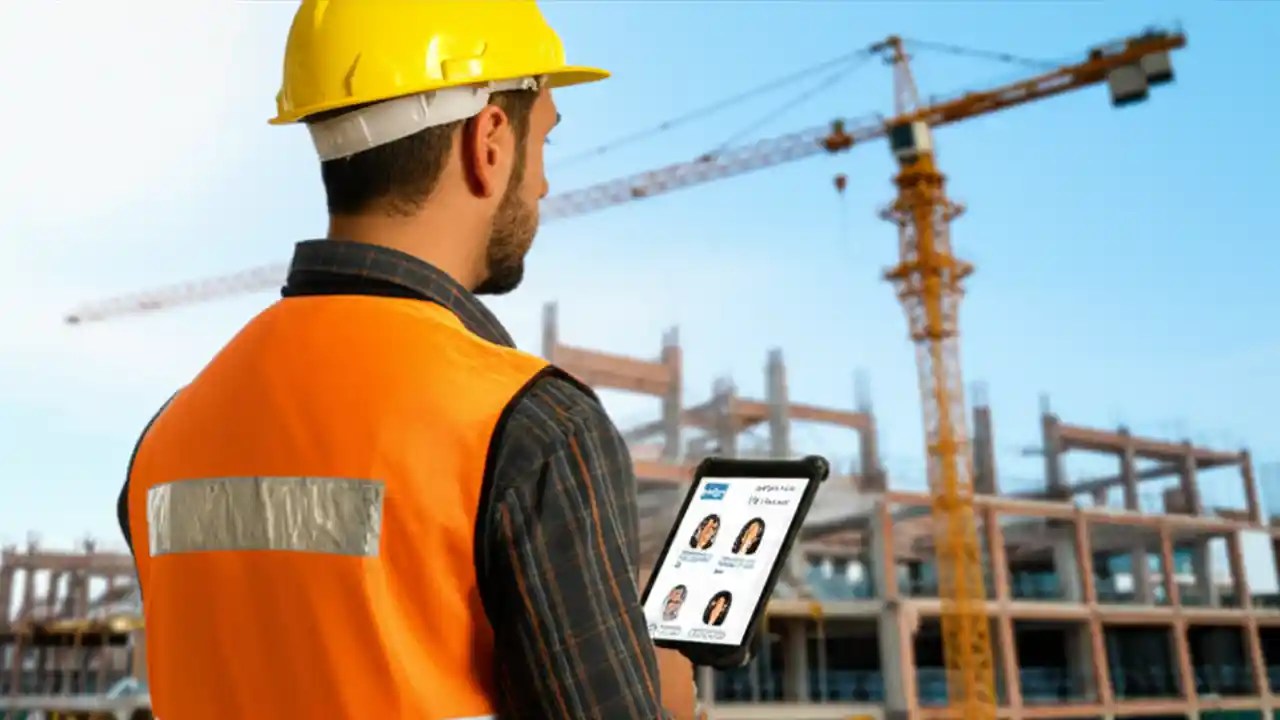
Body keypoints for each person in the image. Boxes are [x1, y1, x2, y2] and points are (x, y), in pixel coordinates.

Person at [113, 2, 689, 718]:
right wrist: (665, 698)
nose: (542, 184)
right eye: (546, 140)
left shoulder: (170, 435)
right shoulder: (531, 427)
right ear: (489, 141)